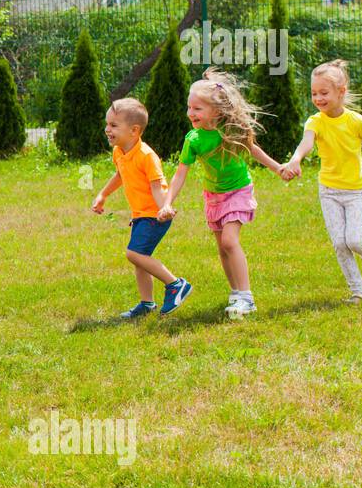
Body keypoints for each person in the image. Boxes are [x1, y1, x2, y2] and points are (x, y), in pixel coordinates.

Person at [157, 69, 286, 319]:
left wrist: (278, 168)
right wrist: (167, 202)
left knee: (229, 241)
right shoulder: (193, 139)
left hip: (238, 190)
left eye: (197, 109)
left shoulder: (230, 130)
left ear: (215, 111)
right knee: (222, 247)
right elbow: (180, 173)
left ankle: (247, 297)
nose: (190, 113)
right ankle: (236, 291)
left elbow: (253, 150)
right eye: (189, 107)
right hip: (213, 196)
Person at [282, 59, 362, 301]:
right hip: (329, 191)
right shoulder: (315, 121)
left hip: (356, 191)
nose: (318, 98)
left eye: (324, 92)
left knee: (354, 239)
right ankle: (357, 290)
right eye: (313, 93)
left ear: (341, 92)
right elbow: (306, 143)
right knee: (340, 244)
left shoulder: (355, 121)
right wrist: (296, 159)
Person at [91, 98, 191, 318]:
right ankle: (147, 304)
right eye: (107, 124)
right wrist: (103, 195)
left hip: (155, 215)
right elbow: (120, 175)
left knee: (134, 254)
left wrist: (165, 208)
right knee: (140, 260)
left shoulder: (147, 156)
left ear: (134, 130)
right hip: (140, 215)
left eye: (114, 125)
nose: (107, 129)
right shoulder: (119, 152)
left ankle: (175, 284)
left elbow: (157, 186)